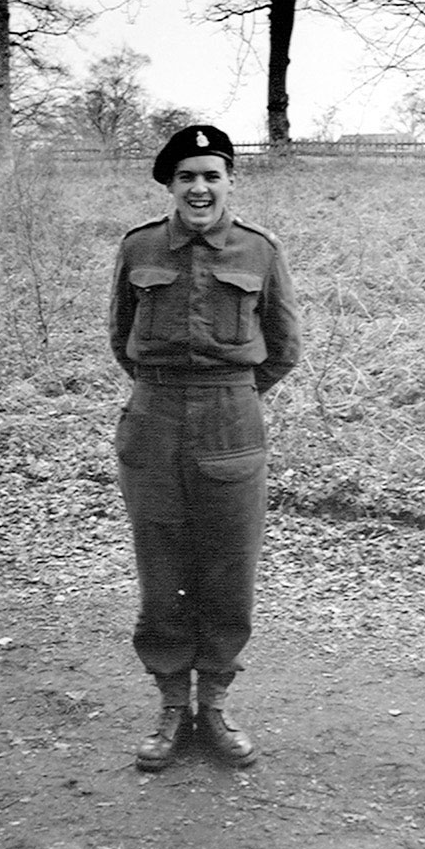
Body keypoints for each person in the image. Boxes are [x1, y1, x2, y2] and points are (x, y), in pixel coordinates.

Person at [109, 125, 301, 771]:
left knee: (228, 570)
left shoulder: (258, 250)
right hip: (153, 417)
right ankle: (169, 707)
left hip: (231, 418)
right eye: (186, 176)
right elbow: (120, 338)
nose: (199, 187)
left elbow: (283, 346)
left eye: (211, 175)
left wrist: (231, 393)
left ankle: (214, 705)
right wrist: (165, 390)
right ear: (170, 184)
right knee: (161, 571)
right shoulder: (138, 246)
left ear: (228, 182)